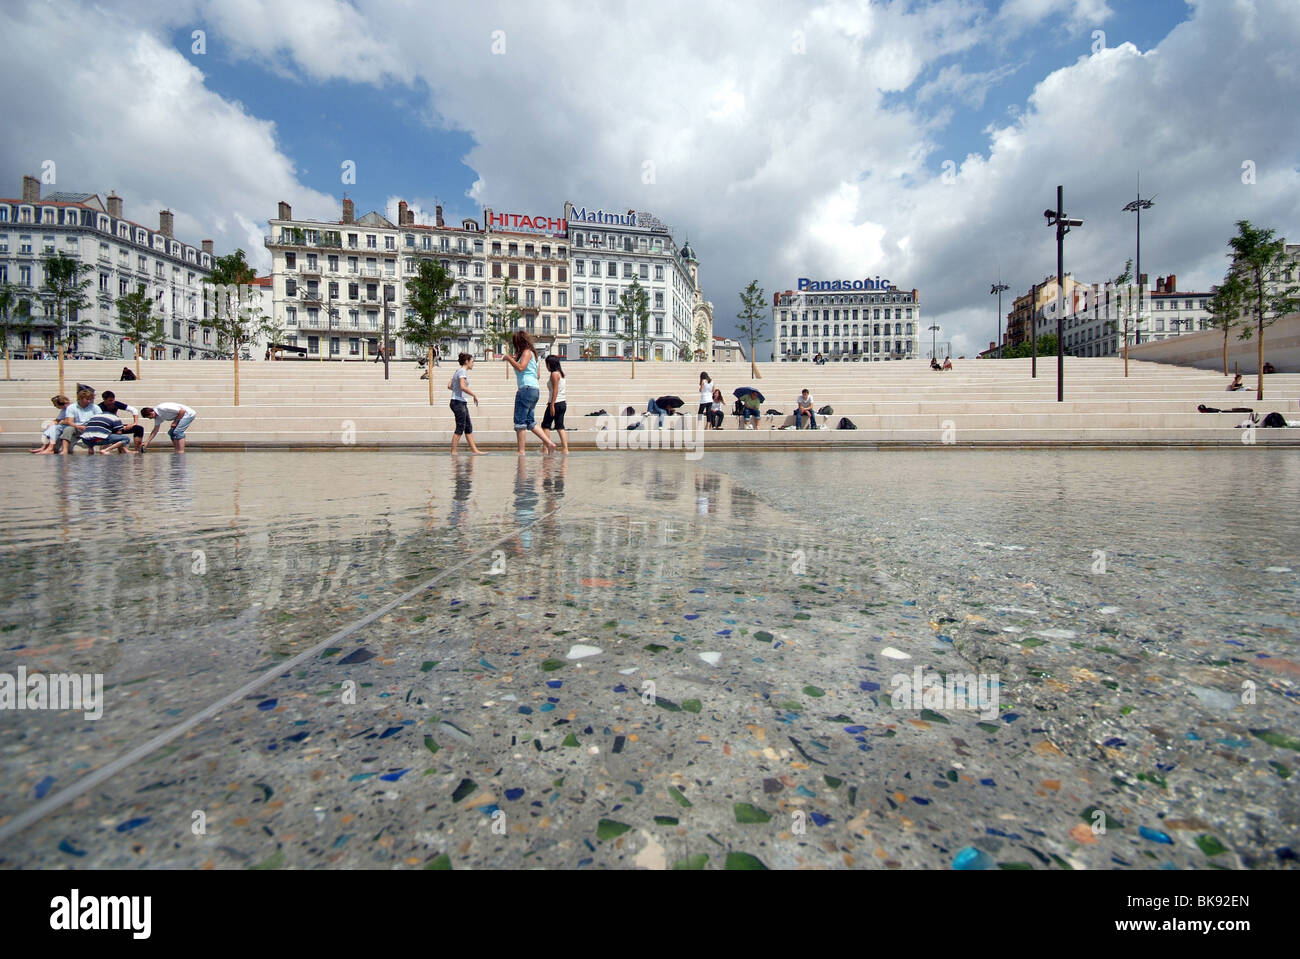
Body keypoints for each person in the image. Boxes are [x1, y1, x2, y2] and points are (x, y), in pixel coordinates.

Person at [502, 330, 556, 455]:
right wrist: (514, 359)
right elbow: (537, 375)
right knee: (530, 422)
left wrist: (509, 359)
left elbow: (521, 367)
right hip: (534, 389)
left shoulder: (526, 353)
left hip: (525, 389)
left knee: (520, 421)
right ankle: (549, 443)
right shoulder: (534, 355)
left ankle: (521, 451)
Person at [448, 352, 485, 455]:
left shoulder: (458, 371)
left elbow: (449, 386)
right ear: (466, 362)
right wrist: (474, 395)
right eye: (472, 362)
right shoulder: (462, 372)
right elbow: (463, 387)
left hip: (459, 402)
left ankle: (475, 450)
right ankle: (454, 452)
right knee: (460, 427)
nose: (473, 364)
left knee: (468, 427)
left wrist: (457, 389)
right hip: (458, 402)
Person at [56, 388, 101, 453]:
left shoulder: (95, 407)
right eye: (87, 399)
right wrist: (79, 427)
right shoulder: (72, 407)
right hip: (76, 426)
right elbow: (70, 422)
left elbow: (100, 420)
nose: (89, 401)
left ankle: (91, 448)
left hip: (90, 426)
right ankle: (64, 450)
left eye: (90, 399)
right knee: (68, 429)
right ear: (80, 398)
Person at [540, 354, 570, 454]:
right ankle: (565, 449)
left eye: (546, 364)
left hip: (555, 403)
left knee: (545, 425)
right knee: (560, 426)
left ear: (550, 364)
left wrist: (552, 404)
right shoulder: (561, 374)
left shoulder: (554, 374)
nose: (546, 366)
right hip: (562, 403)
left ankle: (546, 448)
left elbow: (555, 390)